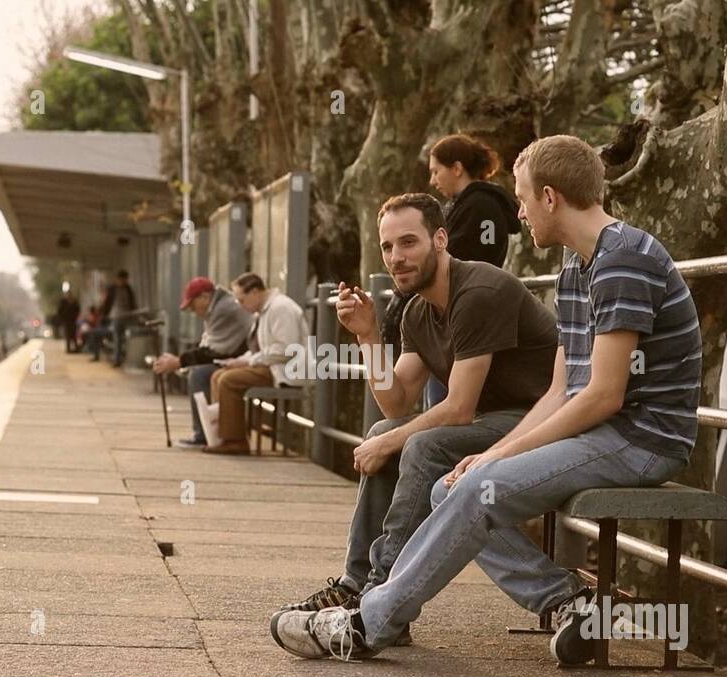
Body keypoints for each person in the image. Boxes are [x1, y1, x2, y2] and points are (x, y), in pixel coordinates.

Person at [269, 134, 703, 665]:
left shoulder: (624, 261)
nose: (517, 213)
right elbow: (561, 390)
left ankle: (368, 620)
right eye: (388, 247)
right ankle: (574, 602)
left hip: (643, 439)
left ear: (549, 196)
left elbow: (605, 395)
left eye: (520, 199)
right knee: (449, 488)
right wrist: (367, 337)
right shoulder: (574, 267)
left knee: (469, 482)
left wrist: (497, 454)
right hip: (595, 428)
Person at [273, 192, 561, 647]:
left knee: (418, 444)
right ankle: (355, 585)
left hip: (541, 424)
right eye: (388, 247)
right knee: (384, 432)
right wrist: (367, 334)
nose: (396, 258)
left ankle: (376, 599)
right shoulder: (417, 311)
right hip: (496, 423)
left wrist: (390, 444)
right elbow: (397, 403)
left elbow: (459, 408)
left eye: (408, 243)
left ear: (440, 239)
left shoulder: (479, 290)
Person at [384, 133, 523, 408]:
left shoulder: (481, 206)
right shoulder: (464, 206)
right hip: (445, 317)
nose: (433, 180)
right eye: (387, 247)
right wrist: (368, 337)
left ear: (457, 168)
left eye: (436, 171)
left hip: (459, 321)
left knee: (441, 414)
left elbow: (474, 258)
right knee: (428, 413)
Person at [200, 273, 310, 455]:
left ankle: (235, 440)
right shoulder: (265, 310)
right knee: (218, 375)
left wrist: (248, 361)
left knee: (228, 380)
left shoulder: (280, 308)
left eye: (241, 300)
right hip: (274, 366)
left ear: (255, 292)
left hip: (287, 370)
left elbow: (286, 349)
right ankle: (221, 435)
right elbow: (262, 348)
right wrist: (240, 360)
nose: (240, 305)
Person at [151, 276, 255, 448]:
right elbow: (209, 346)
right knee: (202, 372)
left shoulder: (223, 309)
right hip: (241, 357)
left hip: (247, 359)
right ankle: (213, 433)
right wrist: (181, 360)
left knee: (199, 375)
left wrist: (179, 361)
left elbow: (216, 351)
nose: (193, 311)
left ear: (205, 297)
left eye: (193, 305)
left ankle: (204, 436)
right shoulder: (216, 308)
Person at [98, 270, 138, 366]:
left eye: (125, 279)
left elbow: (132, 302)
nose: (123, 281)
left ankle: (127, 358)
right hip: (116, 316)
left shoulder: (128, 289)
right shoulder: (112, 289)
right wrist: (104, 314)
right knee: (117, 338)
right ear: (118, 279)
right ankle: (117, 359)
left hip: (128, 315)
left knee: (128, 337)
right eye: (122, 279)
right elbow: (107, 303)